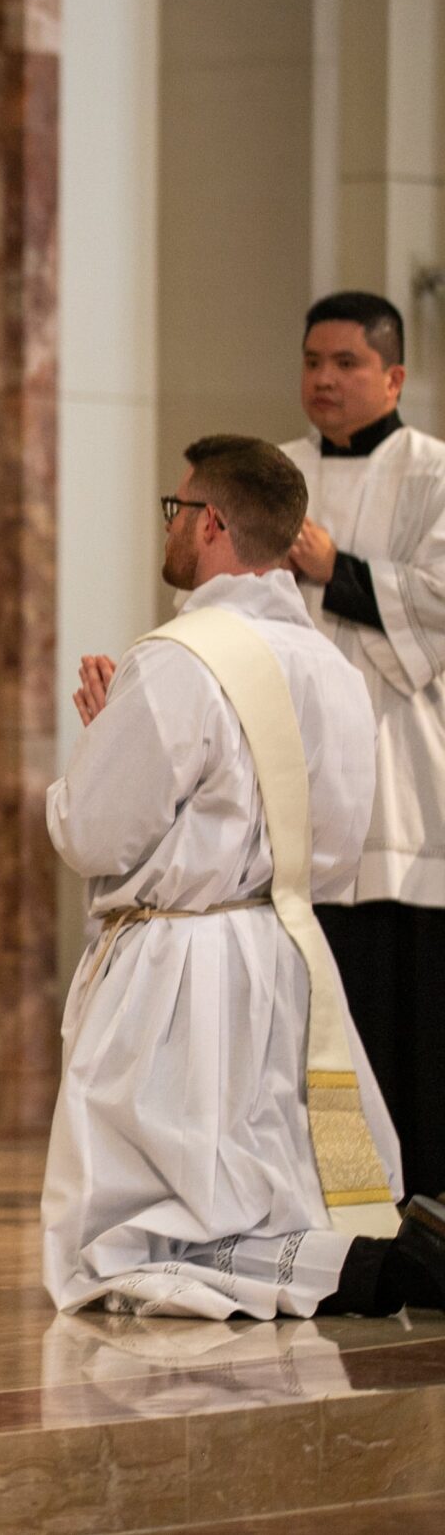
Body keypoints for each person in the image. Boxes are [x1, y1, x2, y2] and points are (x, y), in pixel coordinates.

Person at [46, 433, 445, 1319]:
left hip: (178, 973)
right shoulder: (333, 669)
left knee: (139, 1233)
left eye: (178, 508)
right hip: (288, 955)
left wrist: (99, 748)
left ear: (213, 523)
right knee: (270, 1182)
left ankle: (375, 1273)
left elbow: (93, 832)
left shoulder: (178, 659)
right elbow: (334, 842)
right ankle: (375, 1263)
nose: (171, 524)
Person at [280, 291, 445, 1199]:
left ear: (394, 376)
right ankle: (341, 1205)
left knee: (408, 1015)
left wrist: (331, 570)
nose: (324, 379)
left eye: (346, 363)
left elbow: (439, 608)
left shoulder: (434, 473)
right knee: (321, 1022)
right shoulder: (273, 475)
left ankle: (422, 1207)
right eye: (313, 361)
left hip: (403, 785)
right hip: (298, 780)